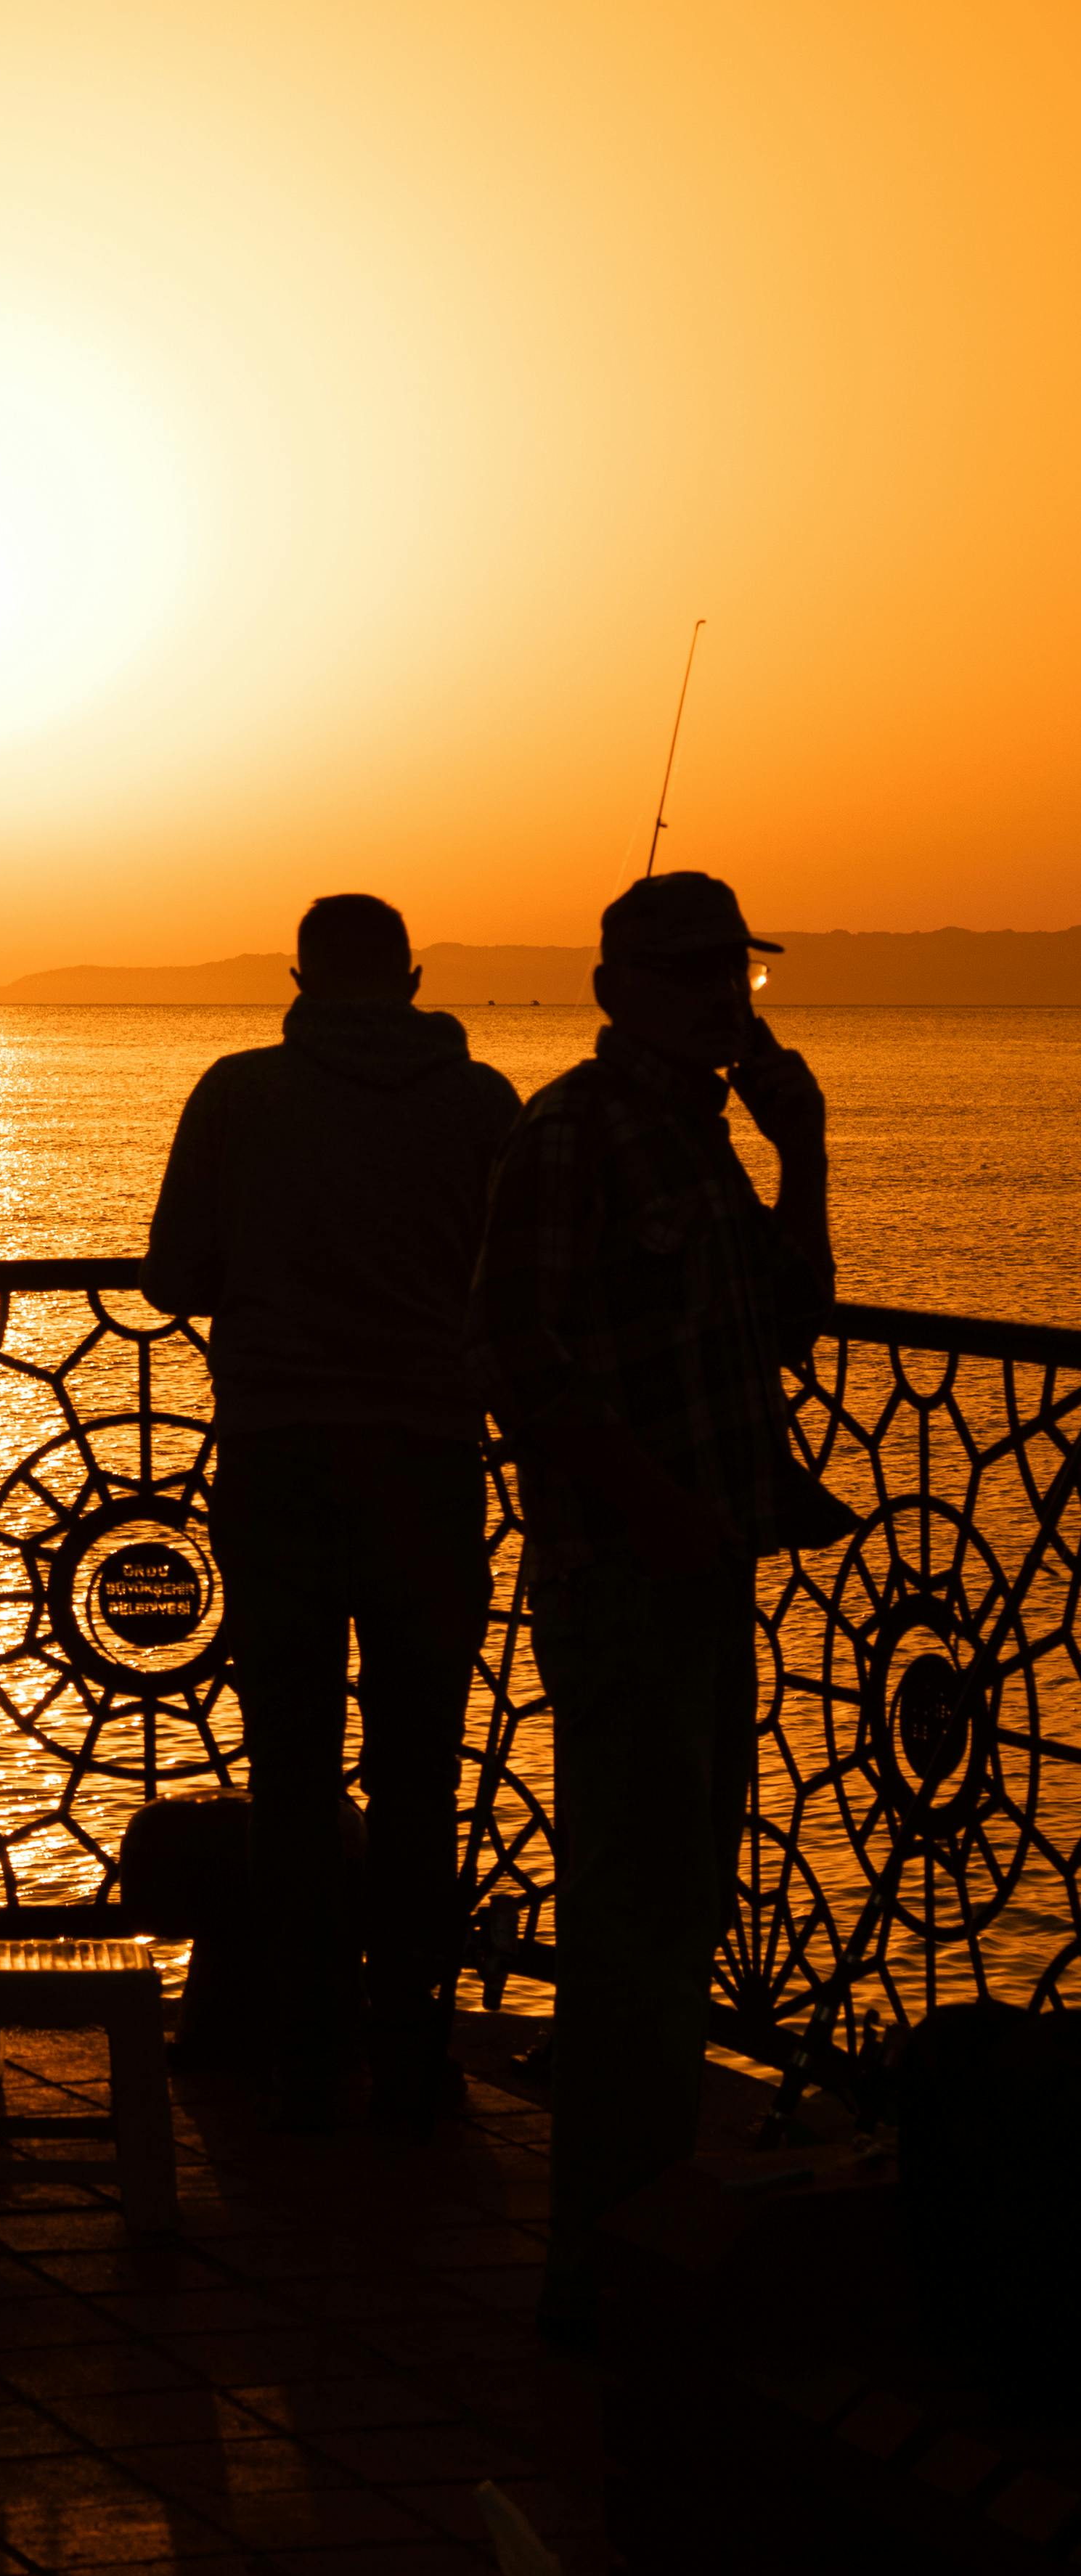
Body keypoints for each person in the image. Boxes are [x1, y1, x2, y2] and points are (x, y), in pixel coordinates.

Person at [473, 870, 840, 2346]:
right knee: (633, 1924)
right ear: (616, 987)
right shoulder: (570, 1131)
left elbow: (790, 1315)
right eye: (688, 974)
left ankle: (630, 2239)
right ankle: (595, 2268)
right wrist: (649, 1505)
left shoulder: (695, 1137)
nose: (716, 998)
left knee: (677, 1902)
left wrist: (801, 1146)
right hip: (628, 1576)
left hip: (700, 1570)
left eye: (731, 976)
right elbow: (513, 1352)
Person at [142, 894, 523, 2133]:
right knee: (423, 1769)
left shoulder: (239, 1094)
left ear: (296, 979)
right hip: (428, 1465)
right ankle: (414, 2043)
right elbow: (523, 1288)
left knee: (294, 1772)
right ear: (414, 979)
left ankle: (305, 2043)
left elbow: (173, 1276)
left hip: (281, 1462)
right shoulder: (483, 1107)